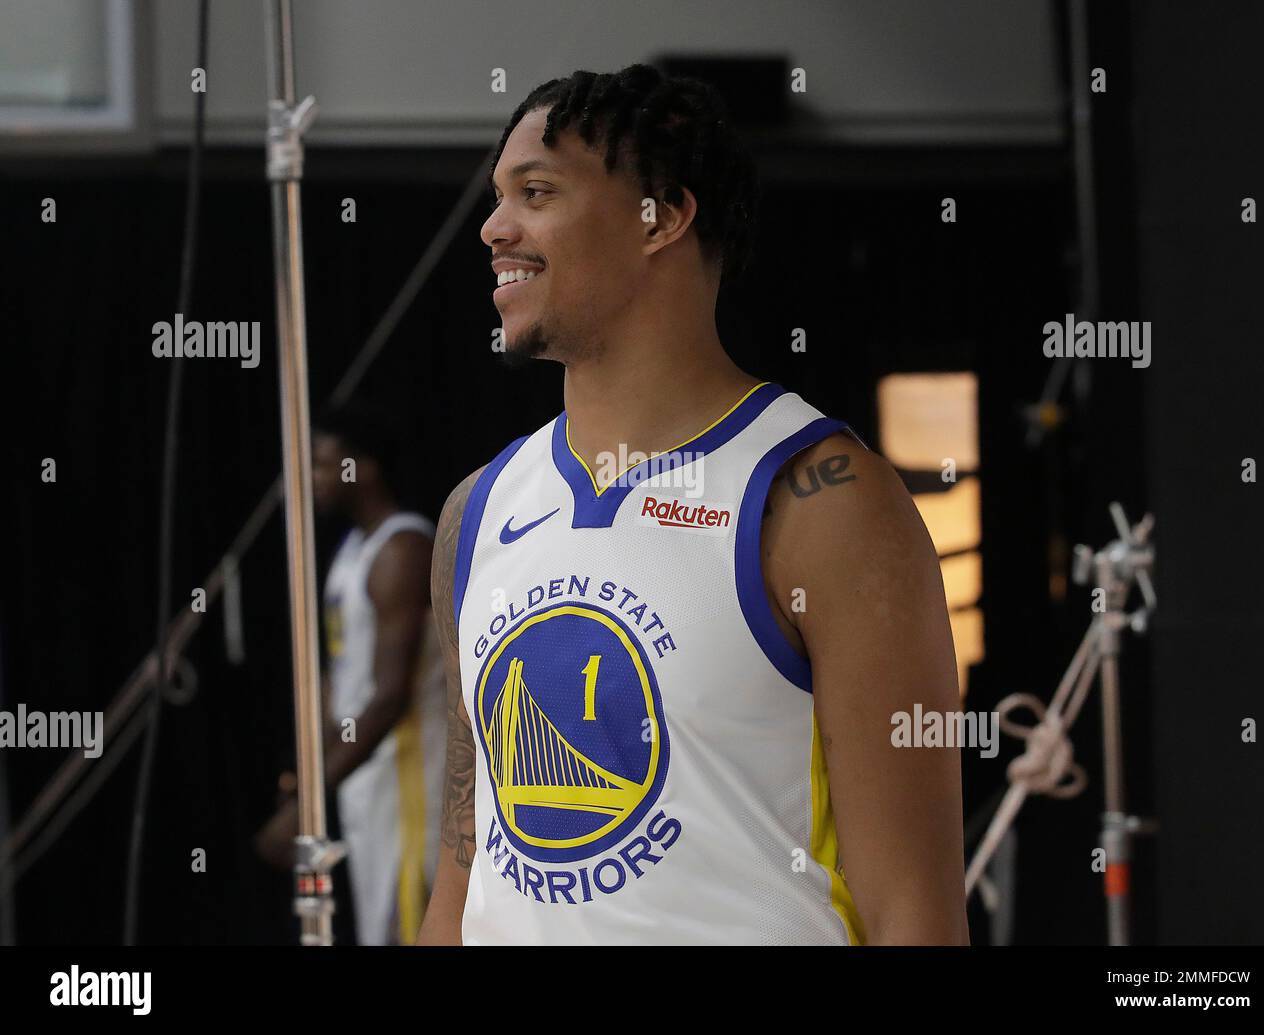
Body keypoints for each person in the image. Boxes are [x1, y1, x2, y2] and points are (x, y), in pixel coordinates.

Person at [418, 64, 967, 945]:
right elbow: (464, 871)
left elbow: (917, 913)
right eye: (497, 196)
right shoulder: (475, 510)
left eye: (536, 191)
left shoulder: (821, 499)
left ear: (662, 216)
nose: (494, 228)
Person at [255, 402, 445, 945]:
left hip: (409, 776)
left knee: (410, 922)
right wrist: (304, 771)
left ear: (361, 466)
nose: (310, 478)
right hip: (366, 779)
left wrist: (308, 801)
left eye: (320, 463)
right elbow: (339, 678)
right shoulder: (352, 554)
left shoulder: (403, 549)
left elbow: (389, 698)